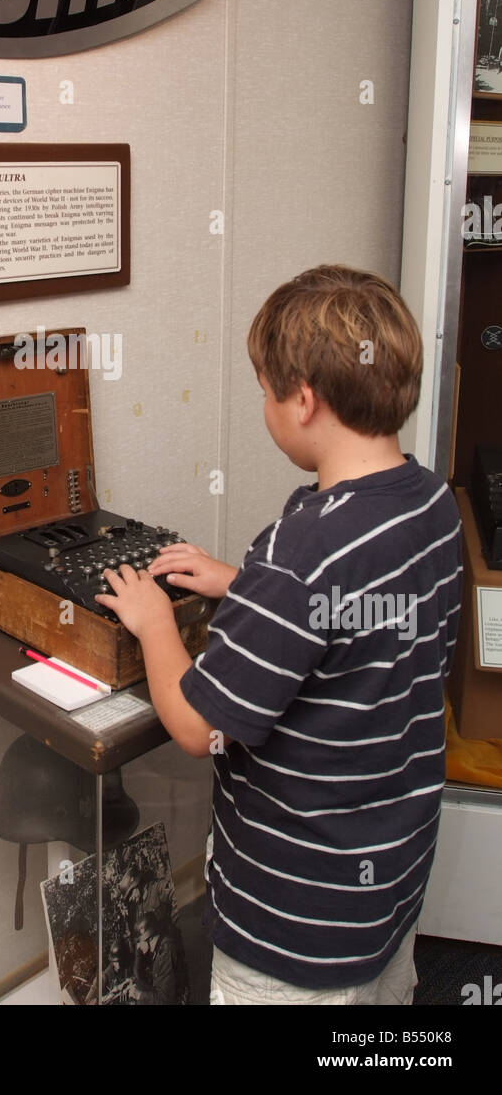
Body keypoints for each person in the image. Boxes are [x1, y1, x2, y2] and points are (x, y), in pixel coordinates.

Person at [97, 265, 462, 1005]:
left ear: (301, 400)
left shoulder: (298, 552)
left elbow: (199, 727)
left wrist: (154, 622)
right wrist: (244, 585)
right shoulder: (428, 501)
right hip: (383, 884)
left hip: (293, 922)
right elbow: (363, 613)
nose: (263, 404)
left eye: (263, 389)